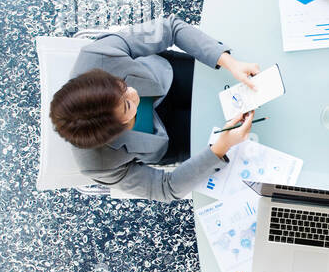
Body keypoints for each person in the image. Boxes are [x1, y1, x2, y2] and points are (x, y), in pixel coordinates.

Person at [49, 16, 260, 201]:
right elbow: (164, 188)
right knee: (253, 139)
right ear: (117, 131)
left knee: (248, 84)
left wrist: (229, 62)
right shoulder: (98, 165)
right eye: (127, 105)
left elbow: (170, 28)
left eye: (120, 85)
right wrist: (219, 149)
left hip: (167, 77)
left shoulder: (97, 54)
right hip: (167, 139)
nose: (132, 92)